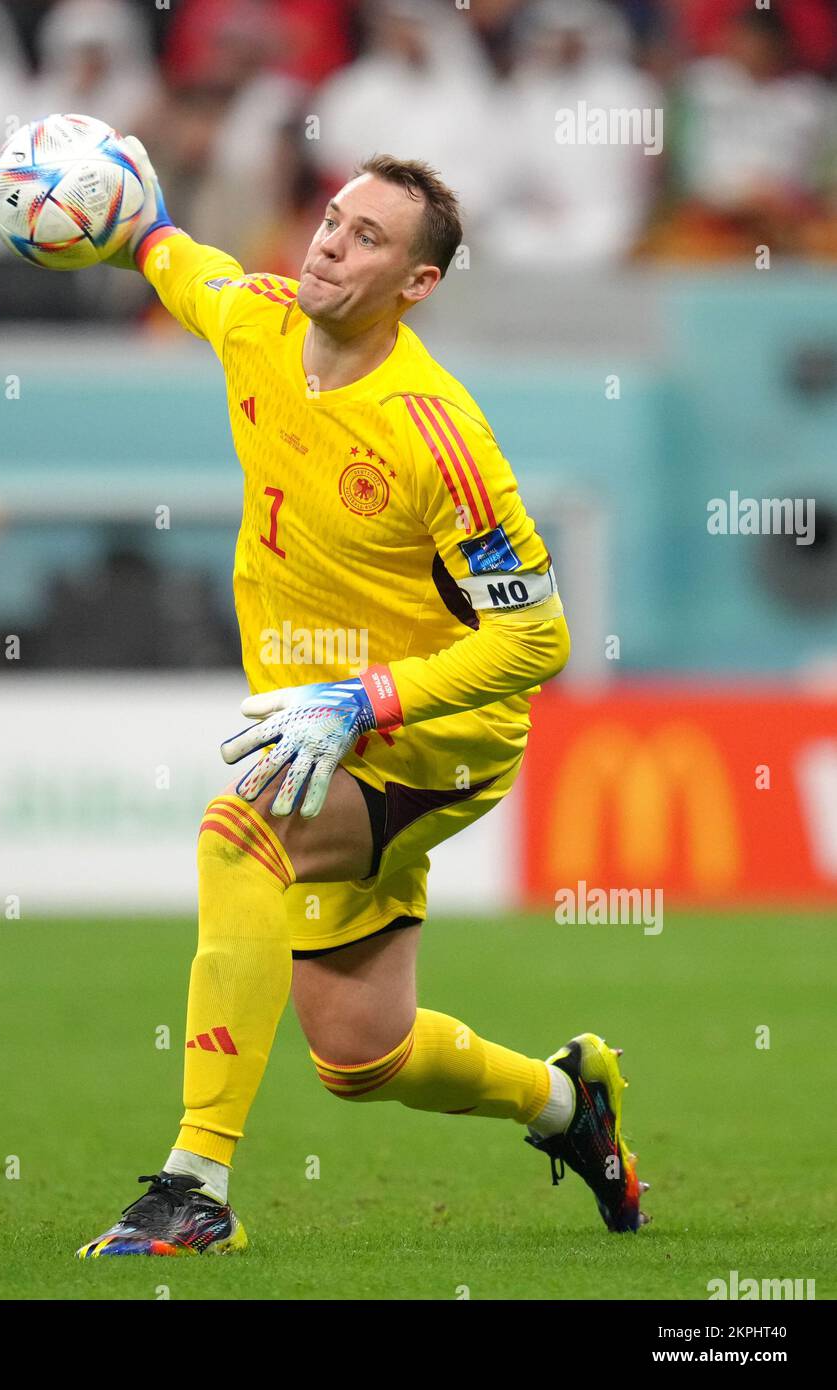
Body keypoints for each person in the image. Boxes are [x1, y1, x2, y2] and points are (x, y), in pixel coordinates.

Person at [75, 138, 649, 1258]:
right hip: (322, 730)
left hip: (439, 734)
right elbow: (177, 261)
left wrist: (362, 701)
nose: (333, 242)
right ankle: (567, 1103)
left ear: (417, 284)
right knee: (358, 1053)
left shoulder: (440, 435)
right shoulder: (258, 319)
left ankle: (194, 1184)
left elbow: (537, 637)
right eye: (334, 218)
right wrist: (128, 222)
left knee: (238, 833)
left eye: (369, 236)